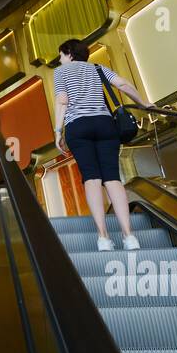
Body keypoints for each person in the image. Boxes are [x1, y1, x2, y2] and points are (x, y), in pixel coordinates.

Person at [52, 40, 153, 251]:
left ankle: (104, 237)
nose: (60, 59)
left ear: (69, 54)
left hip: (78, 126)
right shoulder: (98, 68)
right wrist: (143, 103)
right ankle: (129, 236)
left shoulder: (61, 72)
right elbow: (123, 84)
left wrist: (58, 131)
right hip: (105, 124)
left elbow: (62, 100)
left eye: (61, 55)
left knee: (92, 177)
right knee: (112, 178)